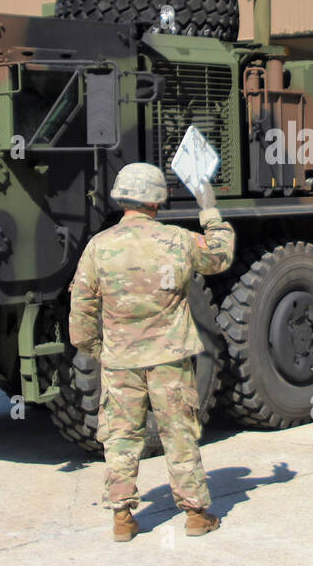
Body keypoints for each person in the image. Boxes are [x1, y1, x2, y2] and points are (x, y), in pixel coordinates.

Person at [68, 162, 234, 542]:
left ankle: (123, 517)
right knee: (180, 432)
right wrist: (209, 210)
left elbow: (82, 307)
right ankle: (195, 514)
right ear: (158, 201)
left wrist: (95, 348)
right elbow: (220, 257)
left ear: (121, 198)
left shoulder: (99, 246)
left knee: (121, 435)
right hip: (169, 359)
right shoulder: (178, 240)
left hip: (120, 359)